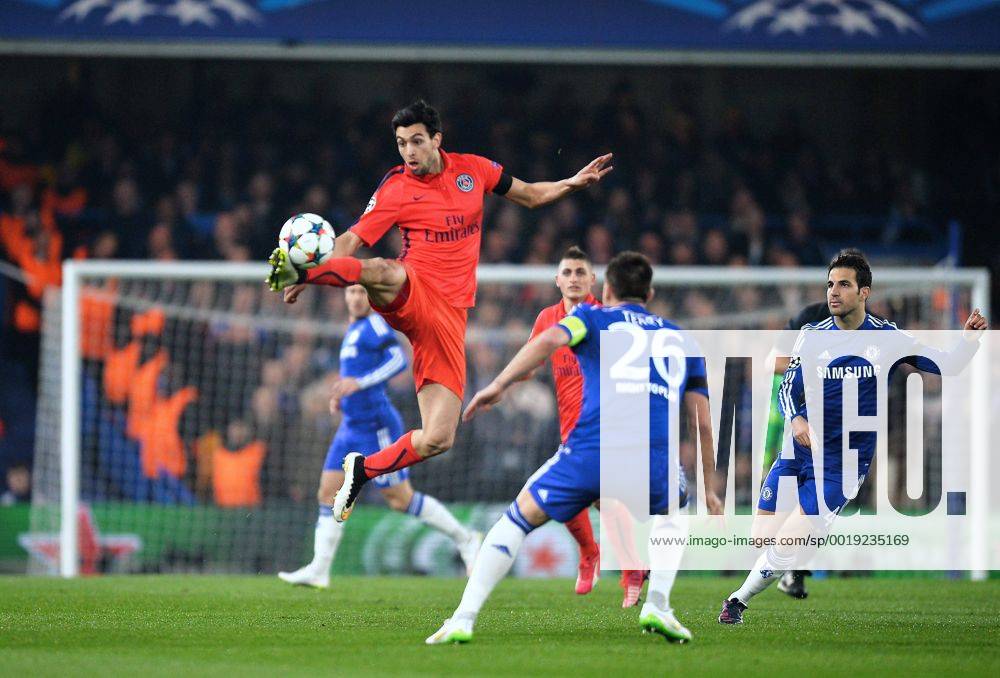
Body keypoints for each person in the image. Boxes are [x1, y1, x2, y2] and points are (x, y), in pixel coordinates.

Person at [267, 99, 613, 523]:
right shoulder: (395, 187)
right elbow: (352, 241)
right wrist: (314, 272)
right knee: (382, 271)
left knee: (438, 437)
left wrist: (571, 183)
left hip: (449, 318)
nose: (408, 152)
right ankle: (298, 270)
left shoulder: (474, 170)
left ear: (436, 139)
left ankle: (363, 470)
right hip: (414, 290)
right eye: (401, 144)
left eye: (416, 141)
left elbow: (529, 195)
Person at [427, 252, 722, 645]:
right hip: (653, 460)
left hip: (590, 452)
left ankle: (463, 619)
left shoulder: (592, 317)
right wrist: (710, 490)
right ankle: (659, 604)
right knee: (673, 510)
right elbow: (702, 423)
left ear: (607, 289)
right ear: (649, 294)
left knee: (514, 521)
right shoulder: (684, 340)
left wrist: (499, 384)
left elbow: (551, 339)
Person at [719, 249, 988, 624]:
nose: (833, 291)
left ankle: (736, 602)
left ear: (864, 292)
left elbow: (949, 365)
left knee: (787, 540)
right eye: (830, 284)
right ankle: (805, 542)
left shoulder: (888, 338)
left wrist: (968, 341)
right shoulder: (811, 337)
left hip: (841, 466)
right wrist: (796, 420)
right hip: (798, 453)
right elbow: (787, 389)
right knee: (760, 538)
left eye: (843, 284)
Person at [278, 285, 481, 587]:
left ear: (371, 297)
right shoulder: (353, 329)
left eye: (362, 292)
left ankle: (465, 538)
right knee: (327, 492)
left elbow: (398, 360)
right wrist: (342, 396)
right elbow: (353, 377)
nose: (356, 298)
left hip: (377, 426)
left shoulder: (374, 324)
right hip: (350, 425)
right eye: (351, 292)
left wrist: (358, 384)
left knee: (400, 499)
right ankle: (319, 569)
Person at [527, 245, 647, 605]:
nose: (574, 278)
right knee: (575, 497)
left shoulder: (604, 317)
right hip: (569, 426)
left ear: (593, 279)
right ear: (557, 280)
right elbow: (532, 359)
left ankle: (627, 568)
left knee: (601, 497)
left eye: (581, 272)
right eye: (567, 272)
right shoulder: (547, 318)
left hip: (605, 423)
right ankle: (594, 552)